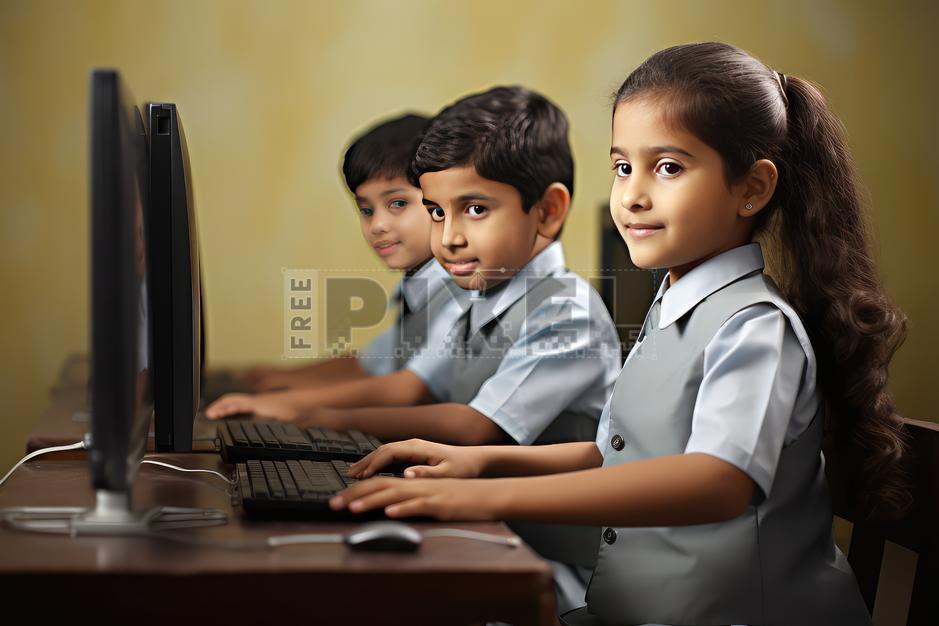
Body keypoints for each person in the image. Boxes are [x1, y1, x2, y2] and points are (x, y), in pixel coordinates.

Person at [329, 43, 909, 626]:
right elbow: (614, 454)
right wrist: (478, 464)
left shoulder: (756, 327)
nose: (631, 195)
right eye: (623, 167)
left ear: (751, 188)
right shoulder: (667, 309)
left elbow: (716, 480)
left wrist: (480, 497)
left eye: (669, 167)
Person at [210, 86, 623, 613]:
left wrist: (312, 414)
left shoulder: (564, 311)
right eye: (435, 211)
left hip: (555, 577)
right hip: (486, 535)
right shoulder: (483, 295)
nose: (447, 238)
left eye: (474, 209)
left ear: (546, 212)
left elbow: (477, 425)